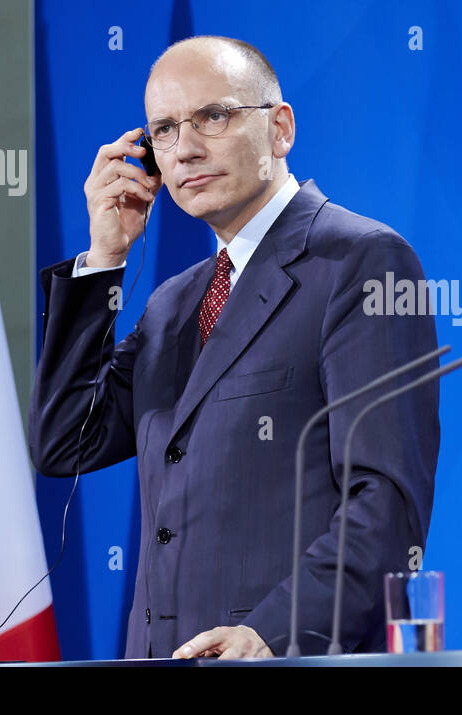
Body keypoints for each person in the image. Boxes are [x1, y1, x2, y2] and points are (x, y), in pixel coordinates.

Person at [29, 36, 440, 659]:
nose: (185, 148)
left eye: (213, 117)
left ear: (280, 129)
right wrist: (105, 258)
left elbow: (386, 502)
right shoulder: (173, 302)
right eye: (163, 130)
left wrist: (272, 632)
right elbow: (66, 440)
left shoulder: (361, 262)